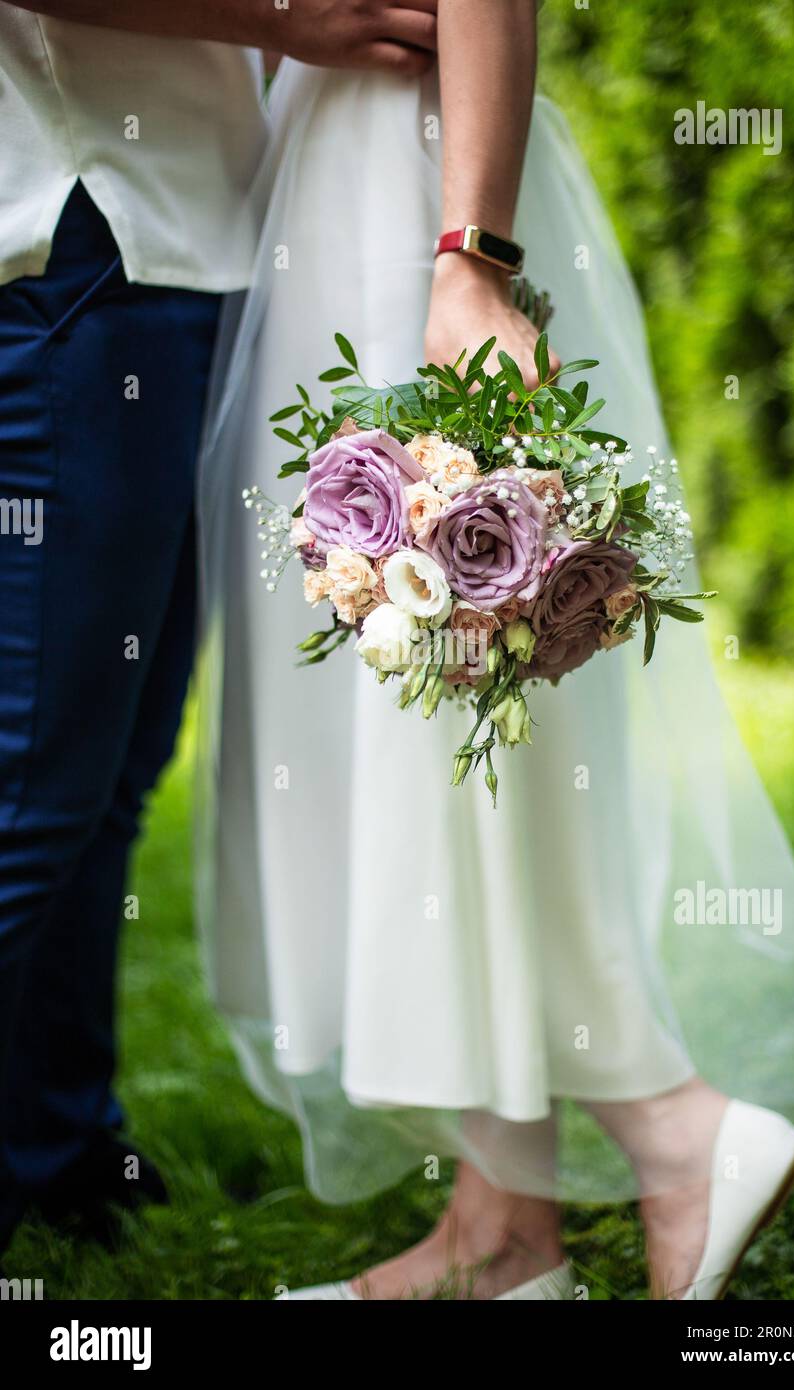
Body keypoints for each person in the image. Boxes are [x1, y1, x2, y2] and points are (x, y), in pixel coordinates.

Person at [198, 0, 794, 1299]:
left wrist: (469, 255)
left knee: (444, 684)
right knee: (433, 705)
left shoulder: (439, 222)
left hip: (417, 186)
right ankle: (501, 1233)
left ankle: (676, 1127)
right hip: (359, 172)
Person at [0, 0, 438, 1254]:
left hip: (193, 241)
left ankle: (56, 1143)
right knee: (29, 782)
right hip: (76, 244)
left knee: (112, 768)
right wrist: (293, 17)